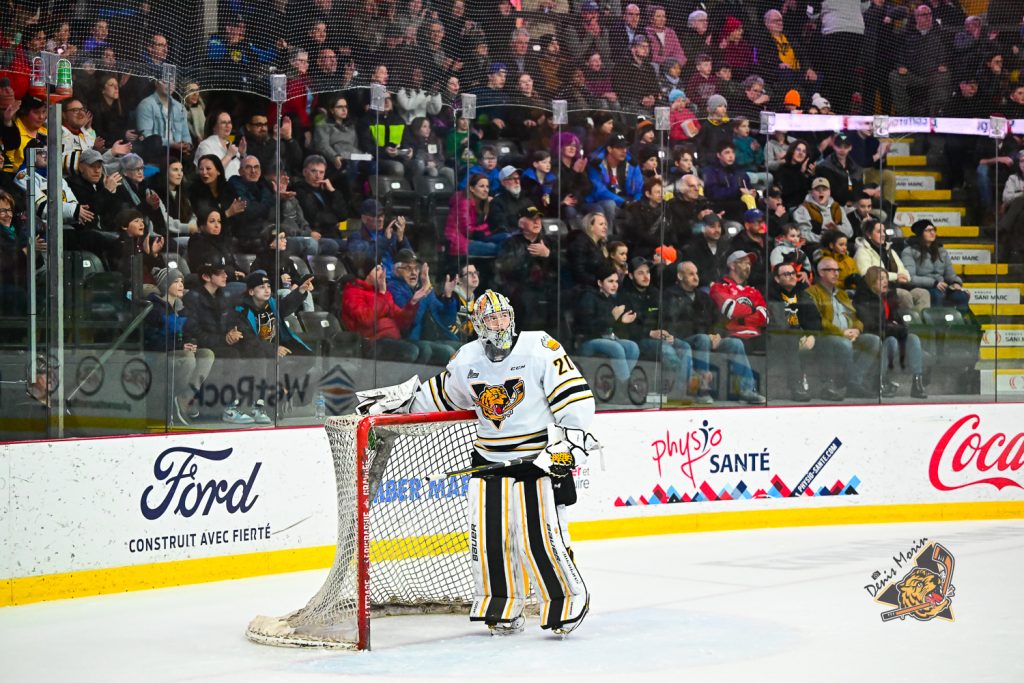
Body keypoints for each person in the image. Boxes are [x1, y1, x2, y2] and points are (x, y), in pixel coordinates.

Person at [406, 289, 592, 636]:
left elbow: (575, 399)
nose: (500, 324)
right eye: (492, 318)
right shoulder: (466, 359)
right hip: (489, 461)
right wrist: (398, 403)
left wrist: (567, 447)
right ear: (478, 324)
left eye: (504, 316)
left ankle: (564, 600)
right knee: (493, 540)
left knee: (547, 536)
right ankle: (501, 604)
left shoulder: (540, 348)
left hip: (537, 461)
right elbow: (439, 396)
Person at [227, 270, 315, 422]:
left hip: (272, 345)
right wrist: (275, 350)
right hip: (254, 350)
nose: (267, 289)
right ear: (251, 291)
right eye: (261, 287)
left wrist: (300, 290)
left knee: (307, 357)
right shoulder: (242, 310)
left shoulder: (271, 303)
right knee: (266, 360)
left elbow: (285, 306)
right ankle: (260, 405)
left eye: (268, 286)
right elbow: (250, 340)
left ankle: (282, 388)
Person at [145, 268, 215, 425]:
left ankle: (185, 398)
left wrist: (191, 343)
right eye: (176, 281)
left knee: (206, 354)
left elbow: (188, 332)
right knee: (187, 357)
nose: (181, 285)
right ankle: (174, 401)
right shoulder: (154, 309)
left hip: (176, 351)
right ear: (165, 285)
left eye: (182, 281)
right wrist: (181, 346)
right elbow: (152, 340)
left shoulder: (180, 307)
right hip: (159, 355)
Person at [807, 257, 882, 400]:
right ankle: (848, 384)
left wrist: (857, 329)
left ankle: (854, 381)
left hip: (849, 334)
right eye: (831, 270)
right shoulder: (812, 292)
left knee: (874, 341)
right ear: (821, 272)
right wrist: (841, 332)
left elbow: (855, 316)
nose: (836, 273)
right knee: (844, 343)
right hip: (826, 336)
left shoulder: (841, 293)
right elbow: (817, 320)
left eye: (838, 270)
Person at [854, 266, 927, 399]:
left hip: (890, 334)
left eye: (886, 278)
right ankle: (881, 381)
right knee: (891, 341)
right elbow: (870, 325)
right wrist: (893, 327)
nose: (885, 282)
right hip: (877, 338)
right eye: (881, 279)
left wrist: (894, 327)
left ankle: (917, 382)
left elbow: (898, 322)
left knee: (913, 338)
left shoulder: (889, 296)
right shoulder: (863, 298)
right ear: (871, 282)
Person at [341, 261, 428, 363]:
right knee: (411, 351)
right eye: (377, 270)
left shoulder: (383, 293)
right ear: (366, 275)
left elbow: (401, 322)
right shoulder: (353, 292)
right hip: (371, 342)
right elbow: (365, 319)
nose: (382, 273)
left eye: (382, 269)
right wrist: (382, 295)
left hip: (393, 339)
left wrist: (412, 303)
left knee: (425, 350)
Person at [496, 205, 558, 332]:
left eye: (539, 219)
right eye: (532, 219)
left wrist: (548, 254)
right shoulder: (511, 242)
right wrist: (528, 255)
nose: (536, 222)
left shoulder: (549, 242)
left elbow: (564, 265)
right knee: (527, 300)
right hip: (520, 287)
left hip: (547, 286)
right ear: (521, 223)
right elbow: (506, 268)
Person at [766, 262, 819, 401]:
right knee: (791, 340)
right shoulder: (770, 295)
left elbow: (814, 318)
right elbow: (775, 324)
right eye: (786, 274)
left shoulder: (802, 294)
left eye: (793, 273)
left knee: (833, 342)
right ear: (777, 279)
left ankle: (834, 385)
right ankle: (796, 385)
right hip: (778, 337)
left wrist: (811, 335)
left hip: (802, 336)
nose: (791, 276)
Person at [854, 218, 929, 313]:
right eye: (879, 232)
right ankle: (907, 324)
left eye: (884, 231)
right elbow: (867, 274)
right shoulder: (862, 252)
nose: (883, 234)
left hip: (898, 285)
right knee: (904, 295)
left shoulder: (890, 250)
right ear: (869, 235)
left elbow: (903, 270)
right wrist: (895, 277)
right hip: (878, 289)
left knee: (922, 293)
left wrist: (905, 278)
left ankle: (920, 324)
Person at [901, 219, 970, 313]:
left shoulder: (941, 251)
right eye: (928, 230)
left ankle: (962, 324)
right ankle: (937, 325)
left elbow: (950, 274)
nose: (932, 233)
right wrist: (934, 283)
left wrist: (956, 283)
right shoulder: (909, 251)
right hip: (923, 287)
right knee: (937, 295)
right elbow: (910, 278)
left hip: (941, 286)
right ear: (920, 233)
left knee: (961, 296)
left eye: (933, 229)